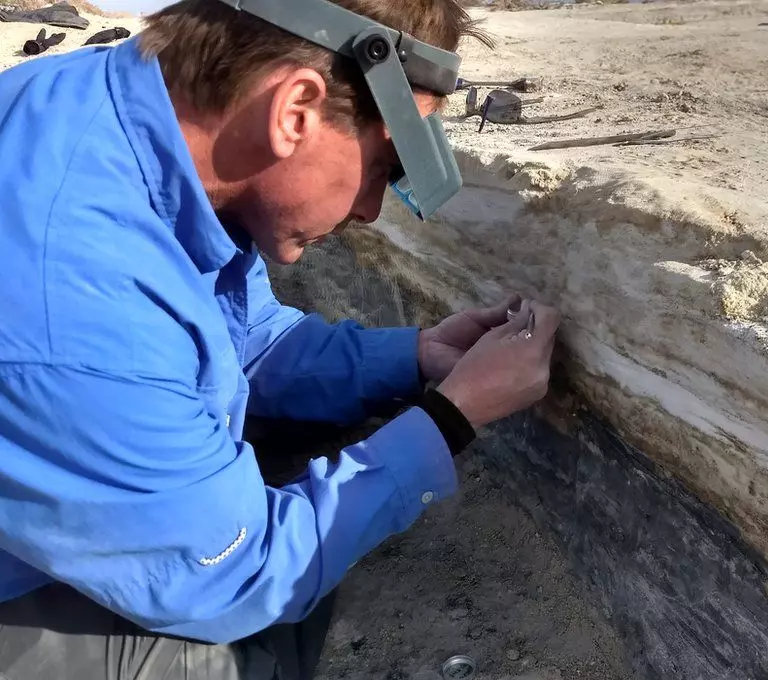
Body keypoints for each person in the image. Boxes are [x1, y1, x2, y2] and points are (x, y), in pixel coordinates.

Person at [0, 0, 560, 677]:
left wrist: (413, 355)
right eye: (382, 167)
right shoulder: (75, 297)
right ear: (294, 109)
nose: (371, 211)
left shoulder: (124, 118)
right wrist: (448, 420)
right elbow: (235, 575)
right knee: (218, 654)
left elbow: (241, 341)